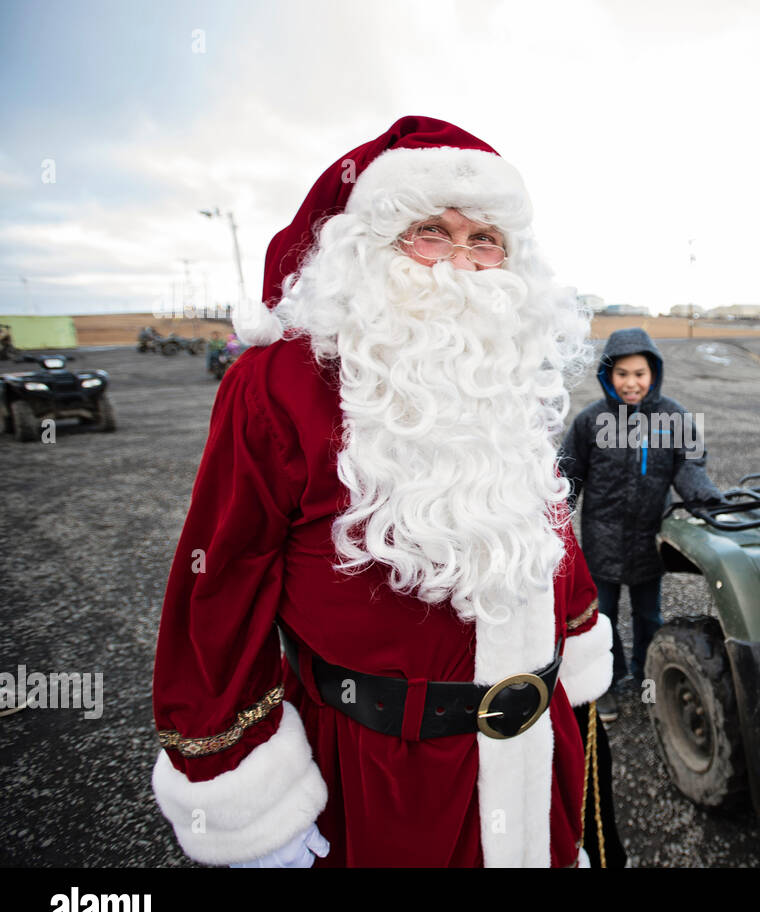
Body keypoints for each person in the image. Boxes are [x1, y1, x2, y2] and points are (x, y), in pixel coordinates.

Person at [150, 116, 614, 867]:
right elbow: (217, 590)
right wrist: (249, 801)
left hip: (535, 763)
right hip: (380, 781)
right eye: (432, 232)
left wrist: (581, 633)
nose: (461, 264)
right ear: (369, 247)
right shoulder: (278, 384)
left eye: (485, 240)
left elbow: (540, 521)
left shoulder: (504, 366)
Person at [559, 329, 723, 720]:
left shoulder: (675, 416)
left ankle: (650, 680)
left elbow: (691, 464)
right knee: (603, 619)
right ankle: (608, 684)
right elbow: (569, 476)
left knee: (649, 616)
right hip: (603, 539)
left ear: (654, 374)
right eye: (622, 374)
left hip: (650, 539)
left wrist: (705, 498)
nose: (631, 383)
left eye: (640, 374)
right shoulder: (590, 422)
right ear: (607, 376)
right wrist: (556, 522)